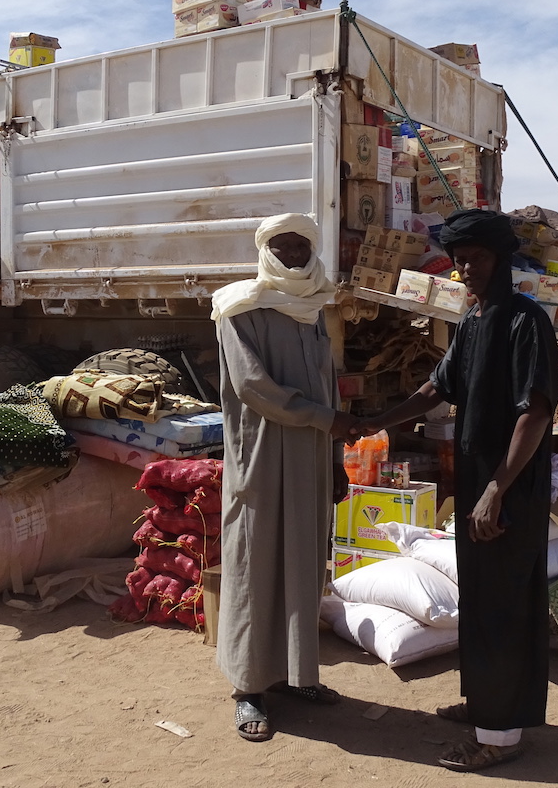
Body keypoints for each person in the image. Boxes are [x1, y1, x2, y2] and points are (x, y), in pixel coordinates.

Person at [362, 209, 558, 771]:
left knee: (503, 604)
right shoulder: (474, 320)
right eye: (459, 259)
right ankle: (485, 706)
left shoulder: (525, 321)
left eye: (476, 258)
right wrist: (375, 421)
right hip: (481, 482)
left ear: (500, 259)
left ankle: (499, 737)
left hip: (509, 486)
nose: (466, 268)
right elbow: (436, 388)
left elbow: (535, 412)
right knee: (479, 598)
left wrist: (496, 490)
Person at [211, 213, 359, 743]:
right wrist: (326, 421)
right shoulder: (238, 307)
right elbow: (252, 386)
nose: (294, 255)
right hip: (261, 454)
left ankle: (298, 674)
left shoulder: (314, 304)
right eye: (282, 246)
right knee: (255, 563)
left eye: (301, 245)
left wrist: (335, 455)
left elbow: (327, 381)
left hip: (311, 454)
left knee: (303, 561)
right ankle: (248, 688)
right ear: (265, 250)